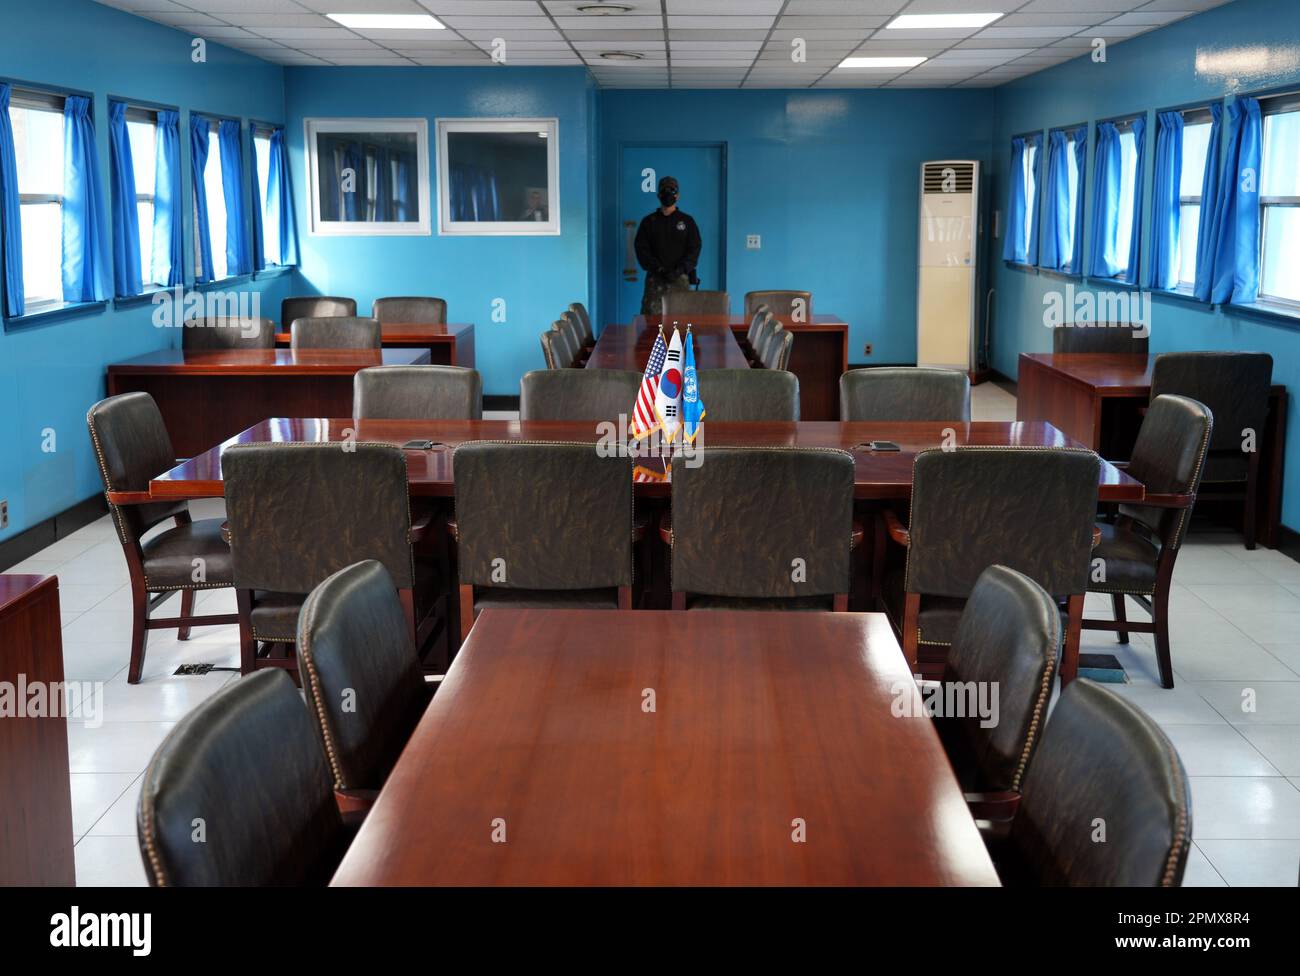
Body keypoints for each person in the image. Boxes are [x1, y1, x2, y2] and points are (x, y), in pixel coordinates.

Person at [634, 176, 701, 317]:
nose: (668, 195)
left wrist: (680, 270)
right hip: (655, 280)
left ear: (678, 195)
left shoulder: (687, 221)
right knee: (651, 324)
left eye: (672, 191)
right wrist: (658, 269)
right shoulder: (649, 222)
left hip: (680, 279)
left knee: (682, 324)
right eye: (664, 191)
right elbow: (642, 250)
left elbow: (694, 249)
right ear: (658, 195)